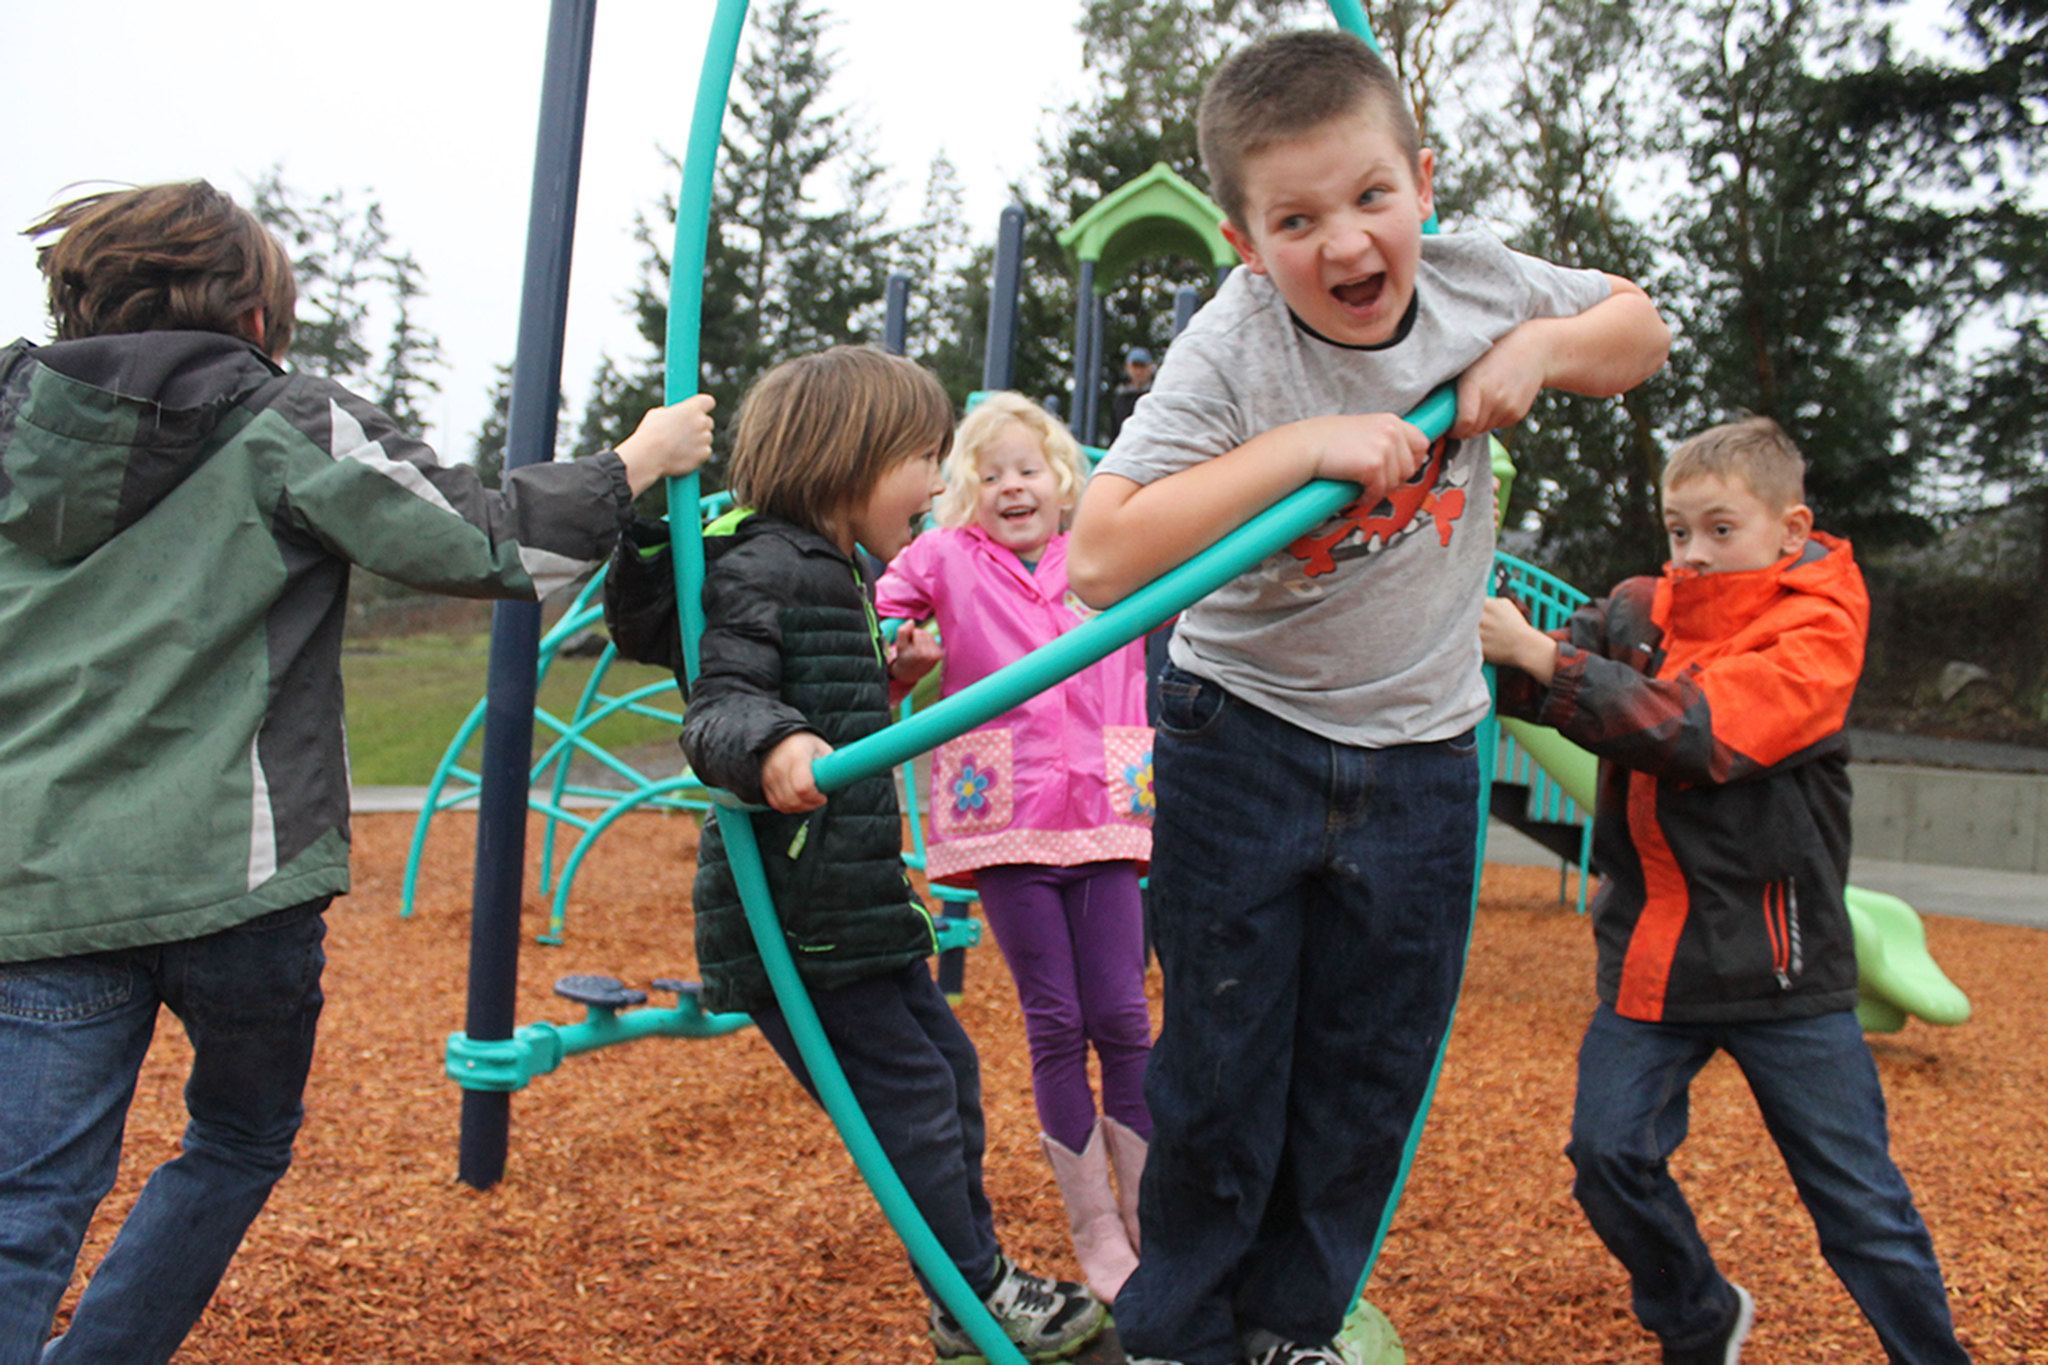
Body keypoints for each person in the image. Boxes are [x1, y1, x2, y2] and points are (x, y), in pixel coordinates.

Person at [0, 180, 715, 1365]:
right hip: (239, 880)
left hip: (40, 883)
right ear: (255, 313)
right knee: (235, 1138)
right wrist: (634, 460)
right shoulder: (280, 417)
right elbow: (489, 542)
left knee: (23, 1212)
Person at [1065, 29, 1672, 1365]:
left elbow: (1641, 326)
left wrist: (1544, 355)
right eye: (1296, 219)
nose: (1344, 243)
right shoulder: (1230, 356)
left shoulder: (1471, 282)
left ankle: (1293, 1327)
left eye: (1369, 199)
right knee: (1225, 1065)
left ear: (1423, 184)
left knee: (1367, 1066)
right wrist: (1302, 445)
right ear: (1243, 240)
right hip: (1246, 738)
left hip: (1422, 751)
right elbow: (1102, 556)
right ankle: (1178, 1334)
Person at [604, 348, 1106, 1364]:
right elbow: (724, 705)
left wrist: (881, 689)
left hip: (847, 900)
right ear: (851, 460)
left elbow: (817, 701)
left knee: (947, 1074)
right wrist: (775, 746)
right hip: (799, 917)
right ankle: (974, 1301)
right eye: (922, 458)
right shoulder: (764, 565)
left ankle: (966, 1293)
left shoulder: (834, 569)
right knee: (913, 1103)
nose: (935, 481)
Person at [1480, 417, 1968, 1364]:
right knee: (1607, 1155)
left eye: (1719, 529)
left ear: (1791, 530)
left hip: (1780, 965)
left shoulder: (1818, 626)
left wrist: (1543, 659)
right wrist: (1476, 605)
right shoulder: (1637, 608)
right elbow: (1530, 677)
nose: (1693, 554)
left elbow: (1700, 732)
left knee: (1858, 1205)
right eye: (1676, 530)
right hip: (1654, 955)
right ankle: (1700, 1314)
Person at [874, 391, 1155, 1303]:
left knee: (1120, 1014)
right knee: (1055, 1020)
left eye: (1027, 469)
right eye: (988, 474)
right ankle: (1094, 1227)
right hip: (1006, 816)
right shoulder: (947, 556)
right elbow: (876, 608)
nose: (1011, 486)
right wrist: (897, 650)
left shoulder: (1103, 559)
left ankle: (1151, 1209)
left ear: (1063, 480)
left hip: (1106, 806)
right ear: (964, 490)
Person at [1106, 346, 1155, 443]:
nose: (1138, 371)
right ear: (1128, 368)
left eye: (1142, 366)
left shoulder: (1156, 397)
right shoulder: (1120, 398)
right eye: (1135, 366)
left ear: (1150, 368)